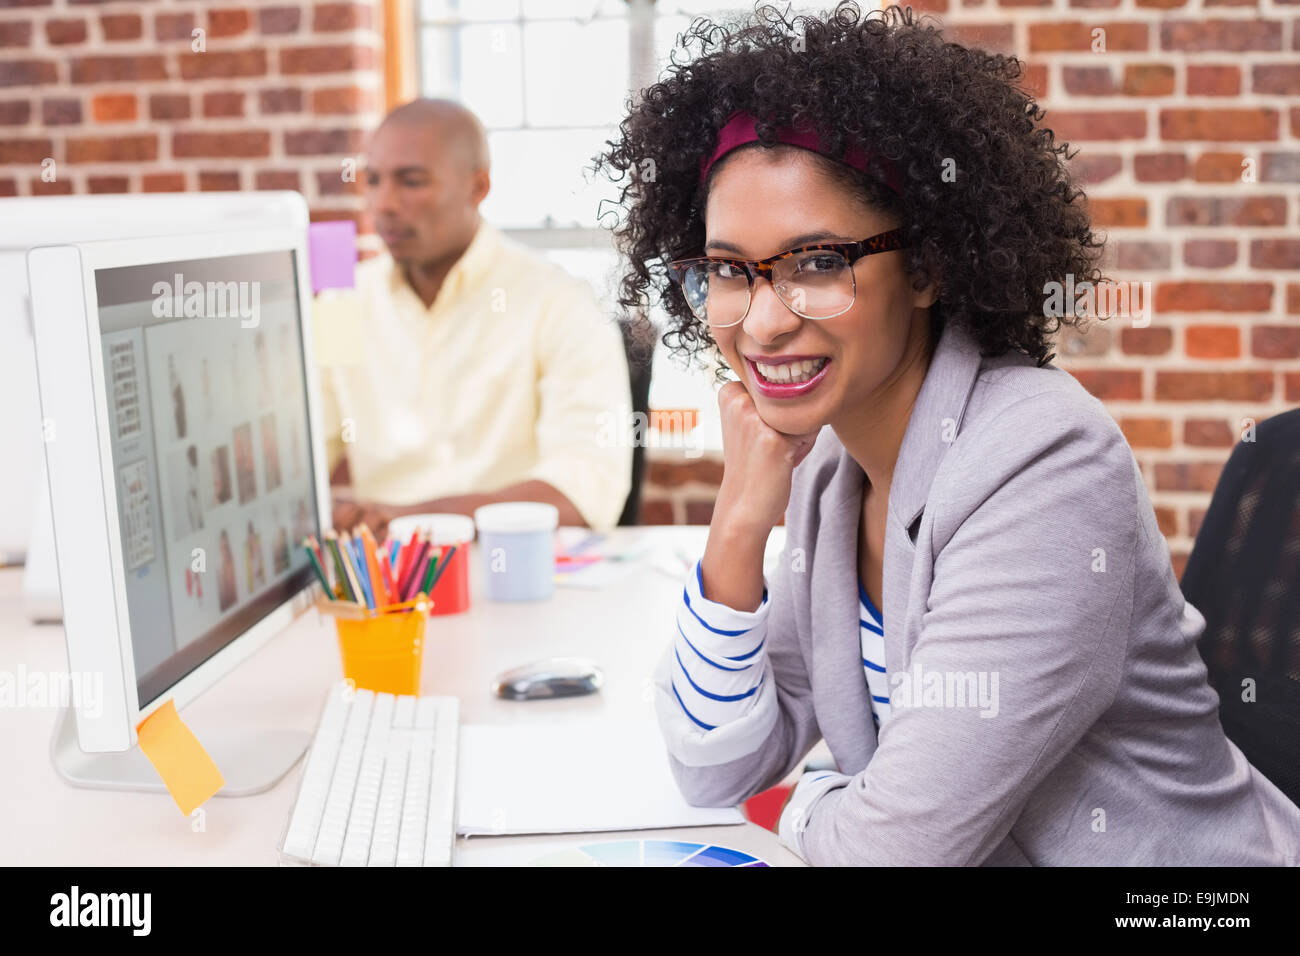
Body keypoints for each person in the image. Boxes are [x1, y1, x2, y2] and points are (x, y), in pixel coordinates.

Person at [596, 3, 1300, 865]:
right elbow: (720, 769)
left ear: (927, 267)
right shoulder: (830, 472)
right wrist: (741, 523)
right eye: (728, 271)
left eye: (818, 263)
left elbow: (893, 851)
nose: (763, 321)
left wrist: (801, 799)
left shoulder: (1044, 462)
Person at [321, 98, 633, 537]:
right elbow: (297, 459)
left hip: (518, 576)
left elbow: (584, 491)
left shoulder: (560, 302)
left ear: (478, 187)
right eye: (372, 181)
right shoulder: (338, 305)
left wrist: (417, 519)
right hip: (385, 583)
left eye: (411, 182)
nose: (384, 204)